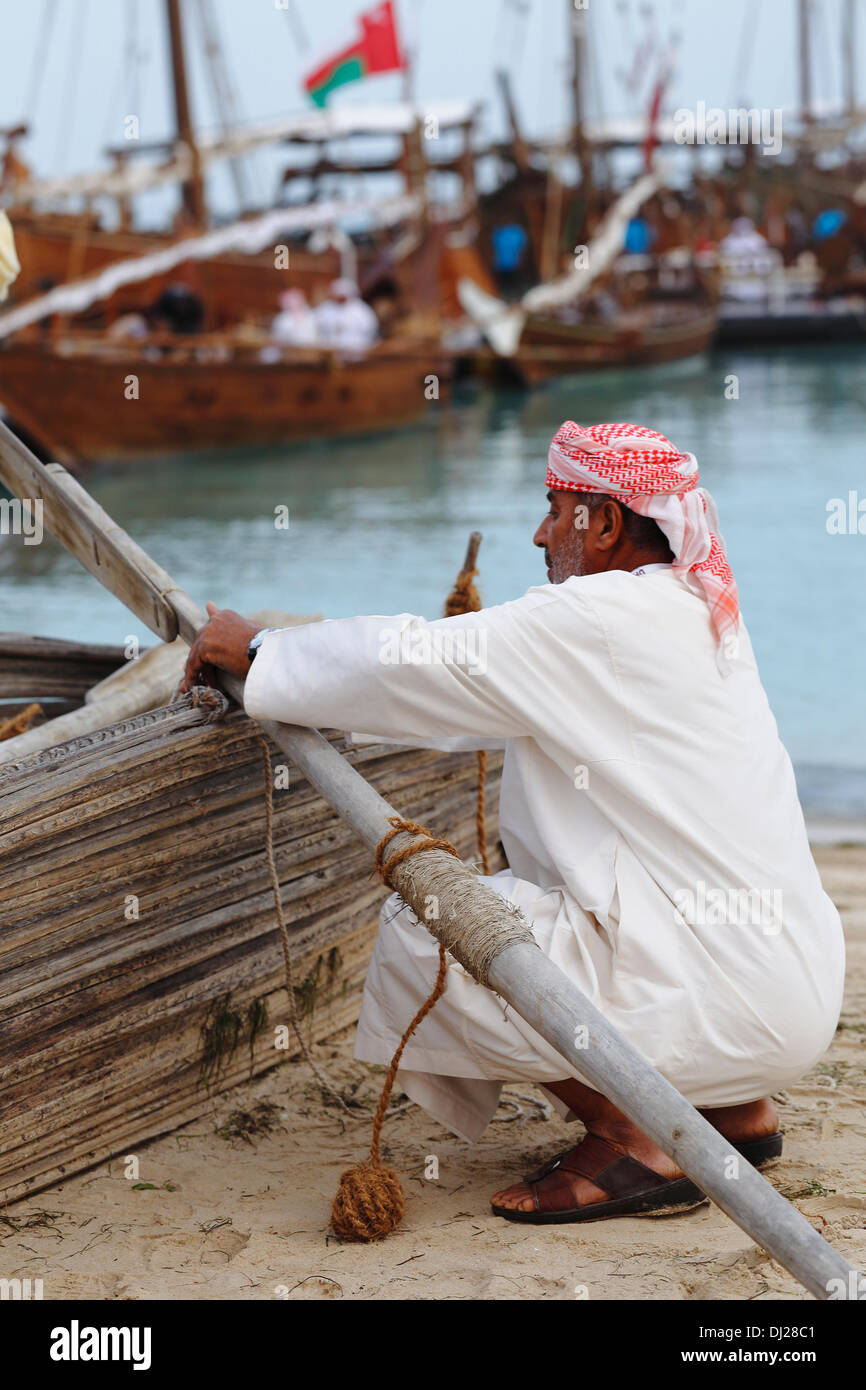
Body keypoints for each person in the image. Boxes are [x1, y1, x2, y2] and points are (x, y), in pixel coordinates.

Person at [181, 420, 845, 1226]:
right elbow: (456, 685)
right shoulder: (692, 612)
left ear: (601, 522)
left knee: (426, 927)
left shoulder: (595, 617)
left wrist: (258, 649)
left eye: (554, 508)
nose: (538, 533)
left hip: (726, 998)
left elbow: (414, 661)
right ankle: (737, 1112)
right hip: (796, 995)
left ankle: (634, 1133)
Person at [313, 277, 379, 353]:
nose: (341, 298)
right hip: (330, 350)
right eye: (338, 295)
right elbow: (315, 327)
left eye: (343, 296)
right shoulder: (325, 308)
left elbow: (370, 329)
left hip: (356, 350)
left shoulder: (361, 310)